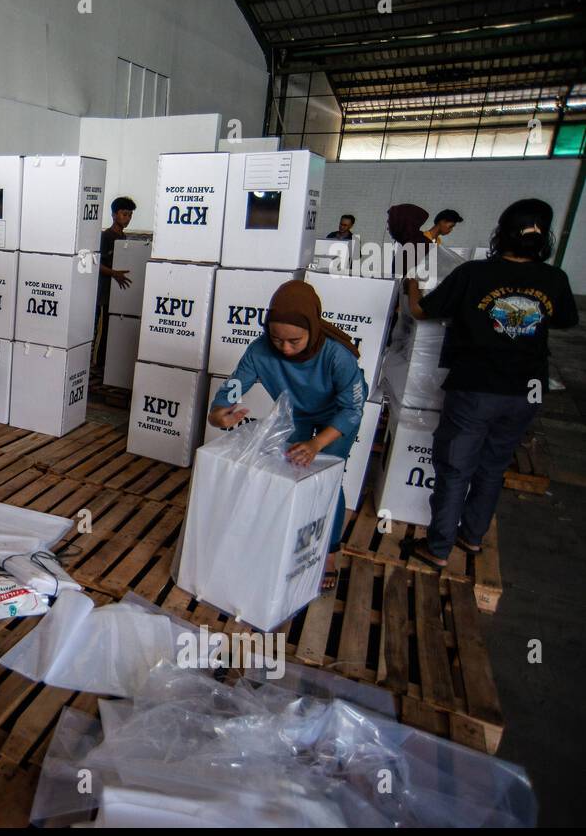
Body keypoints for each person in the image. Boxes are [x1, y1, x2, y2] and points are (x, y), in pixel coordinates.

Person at [402, 199, 578, 569]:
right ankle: (473, 537)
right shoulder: (555, 279)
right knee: (493, 465)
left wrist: (412, 287)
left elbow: (422, 312)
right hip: (526, 390)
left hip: (476, 387)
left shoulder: (474, 274)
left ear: (502, 233)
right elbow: (564, 320)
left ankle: (438, 548)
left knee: (454, 467)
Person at [206, 280, 366, 592]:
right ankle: (293, 534)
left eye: (295, 340)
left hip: (338, 415)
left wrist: (317, 443)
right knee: (290, 469)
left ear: (313, 328)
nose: (285, 348)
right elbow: (234, 387)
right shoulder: (259, 351)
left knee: (329, 475)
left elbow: (352, 410)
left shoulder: (337, 356)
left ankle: (331, 551)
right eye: (276, 339)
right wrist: (218, 412)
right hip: (298, 411)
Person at [93, 196, 136, 372]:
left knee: (111, 331)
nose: (127, 218)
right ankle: (96, 365)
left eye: (130, 215)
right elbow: (95, 263)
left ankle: (105, 366)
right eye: (124, 214)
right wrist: (114, 274)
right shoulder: (106, 237)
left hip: (117, 293)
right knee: (102, 331)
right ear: (114, 215)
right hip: (104, 292)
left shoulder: (123, 237)